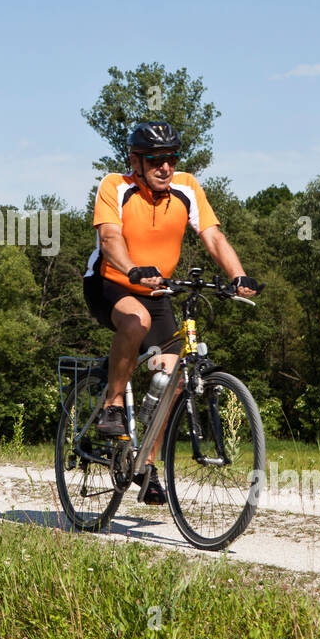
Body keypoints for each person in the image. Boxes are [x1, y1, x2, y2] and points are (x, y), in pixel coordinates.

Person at [82, 120, 259, 504]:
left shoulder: (187, 188)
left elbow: (213, 235)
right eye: (156, 160)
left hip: (157, 288)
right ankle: (112, 405)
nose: (165, 167)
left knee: (174, 374)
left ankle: (144, 467)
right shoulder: (116, 186)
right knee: (136, 320)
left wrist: (238, 275)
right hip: (110, 282)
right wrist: (131, 269)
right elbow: (110, 238)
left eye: (171, 159)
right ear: (136, 160)